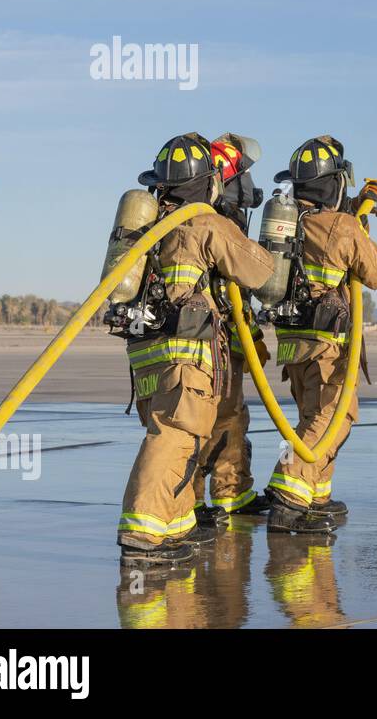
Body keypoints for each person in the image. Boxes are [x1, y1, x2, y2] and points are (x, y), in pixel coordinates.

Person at [117, 134, 273, 567]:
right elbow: (261, 271)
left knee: (183, 439)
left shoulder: (149, 223)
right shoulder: (205, 223)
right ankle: (143, 531)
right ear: (209, 184)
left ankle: (175, 525)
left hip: (146, 353)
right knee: (173, 438)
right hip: (186, 356)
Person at [264, 135, 377, 534]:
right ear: (335, 183)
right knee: (334, 416)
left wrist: (357, 210)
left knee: (313, 415)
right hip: (327, 345)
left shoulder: (293, 224)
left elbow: (328, 239)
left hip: (294, 343)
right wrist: (360, 223)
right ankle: (289, 492)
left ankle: (315, 496)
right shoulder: (342, 227)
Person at [191, 134, 273, 521]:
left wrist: (252, 336)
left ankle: (232, 495)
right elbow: (249, 278)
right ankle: (188, 505)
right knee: (199, 422)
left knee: (229, 418)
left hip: (224, 337)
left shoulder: (203, 221)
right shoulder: (213, 226)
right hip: (210, 341)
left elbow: (236, 292)